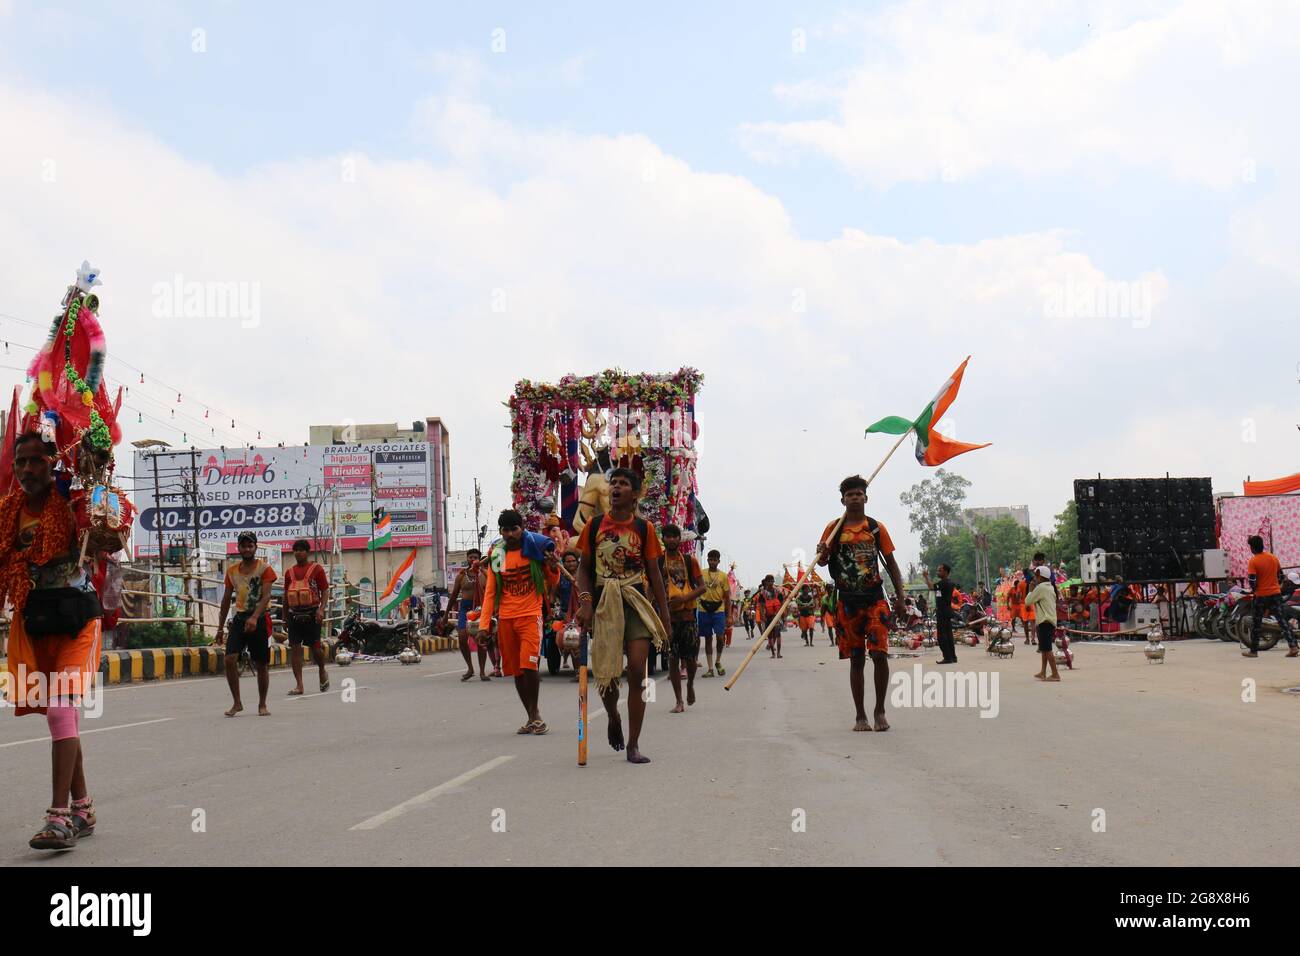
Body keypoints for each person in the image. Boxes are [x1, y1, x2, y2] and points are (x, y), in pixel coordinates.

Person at [2, 432, 105, 849]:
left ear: (53, 462)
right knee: (61, 716)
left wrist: (100, 498)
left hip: (77, 620)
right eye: (20, 462)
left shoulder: (76, 505)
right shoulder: (7, 512)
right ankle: (83, 806)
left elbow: (109, 534)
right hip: (34, 621)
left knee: (61, 709)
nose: (27, 470)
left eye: (36, 461)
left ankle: (59, 817)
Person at [574, 467, 671, 764]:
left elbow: (655, 575)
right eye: (613, 482)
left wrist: (664, 620)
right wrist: (586, 602)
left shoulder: (645, 528)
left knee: (638, 672)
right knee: (608, 675)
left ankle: (633, 744)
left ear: (635, 494)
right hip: (605, 602)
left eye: (623, 483)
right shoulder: (593, 526)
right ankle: (613, 715)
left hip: (635, 600)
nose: (615, 487)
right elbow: (583, 569)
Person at [816, 475, 905, 732]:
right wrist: (822, 550)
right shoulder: (834, 529)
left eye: (858, 494)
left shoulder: (876, 528)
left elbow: (891, 564)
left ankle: (880, 711)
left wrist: (899, 598)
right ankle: (860, 716)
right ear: (842, 500)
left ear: (866, 497)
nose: (854, 498)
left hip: (875, 599)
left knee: (879, 654)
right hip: (848, 602)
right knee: (856, 659)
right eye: (850, 495)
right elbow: (822, 561)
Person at [479, 510, 561, 734]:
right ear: (501, 532)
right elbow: (490, 592)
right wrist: (484, 625)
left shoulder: (534, 548)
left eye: (514, 529)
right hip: (506, 618)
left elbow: (552, 578)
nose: (510, 534)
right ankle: (531, 716)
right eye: (506, 530)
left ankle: (535, 714)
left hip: (530, 615)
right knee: (516, 670)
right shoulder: (498, 556)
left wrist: (553, 566)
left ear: (522, 527)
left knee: (529, 664)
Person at [216, 531, 277, 717]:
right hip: (240, 618)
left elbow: (266, 596)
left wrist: (254, 617)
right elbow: (226, 599)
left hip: (259, 619)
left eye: (250, 545)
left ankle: (262, 704)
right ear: (239, 548)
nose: (247, 549)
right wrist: (219, 628)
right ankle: (237, 702)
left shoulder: (265, 569)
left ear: (255, 547)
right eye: (244, 546)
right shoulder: (232, 571)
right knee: (229, 658)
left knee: (261, 664)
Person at [660, 525, 705, 712]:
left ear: (680, 539)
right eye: (667, 536)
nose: (671, 540)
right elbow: (651, 588)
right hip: (668, 619)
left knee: (691, 659)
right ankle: (679, 700)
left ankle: (690, 684)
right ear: (663, 539)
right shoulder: (657, 562)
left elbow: (702, 587)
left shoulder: (689, 561)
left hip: (688, 617)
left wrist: (683, 599)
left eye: (674, 536)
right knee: (672, 658)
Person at [282, 538, 330, 695]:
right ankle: (299, 685)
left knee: (315, 647)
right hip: (294, 615)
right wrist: (284, 617)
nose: (298, 553)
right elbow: (285, 596)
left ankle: (322, 670)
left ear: (307, 552)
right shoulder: (289, 573)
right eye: (296, 550)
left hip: (312, 613)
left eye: (301, 550)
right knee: (295, 649)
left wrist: (321, 610)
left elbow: (325, 591)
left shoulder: (316, 569)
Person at [1243, 535, 1298, 658]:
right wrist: (1275, 585)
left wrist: (1254, 589)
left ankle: (1253, 651)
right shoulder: (1273, 558)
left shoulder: (1253, 561)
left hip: (1261, 595)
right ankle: (1293, 646)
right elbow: (1281, 576)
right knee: (1282, 621)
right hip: (1275, 594)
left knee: (1257, 623)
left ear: (1252, 548)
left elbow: (1252, 580)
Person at [446, 548, 490, 681]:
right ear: (467, 559)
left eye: (475, 557)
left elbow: (491, 592)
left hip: (480, 608)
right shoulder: (461, 575)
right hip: (465, 609)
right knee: (462, 637)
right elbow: (453, 595)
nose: (472, 559)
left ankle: (482, 672)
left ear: (480, 558)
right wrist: (445, 614)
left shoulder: (485, 574)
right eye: (470, 557)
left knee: (481, 639)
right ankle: (470, 668)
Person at [697, 549, 731, 677]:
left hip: (718, 610)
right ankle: (710, 668)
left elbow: (727, 597)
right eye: (710, 559)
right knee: (708, 639)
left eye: (715, 560)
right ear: (707, 560)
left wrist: (729, 615)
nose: (712, 562)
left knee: (720, 637)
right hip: (704, 609)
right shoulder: (701, 574)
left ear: (718, 561)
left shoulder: (723, 576)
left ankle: (718, 661)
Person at [1026, 565, 1060, 681]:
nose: (1035, 577)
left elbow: (1028, 601)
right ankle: (1043, 672)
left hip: (1044, 621)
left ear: (1041, 576)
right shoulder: (1050, 587)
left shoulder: (1041, 588)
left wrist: (1030, 591)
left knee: (1047, 649)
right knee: (1044, 648)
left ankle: (1055, 674)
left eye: (1036, 575)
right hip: (1049, 620)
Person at [922, 564, 959, 664]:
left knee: (942, 636)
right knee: (948, 634)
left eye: (940, 570)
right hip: (946, 610)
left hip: (943, 611)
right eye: (938, 570)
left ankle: (947, 657)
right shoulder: (949, 583)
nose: (938, 572)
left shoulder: (944, 583)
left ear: (946, 572)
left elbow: (931, 586)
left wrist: (926, 576)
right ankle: (952, 657)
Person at [755, 575, 784, 658]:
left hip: (777, 615)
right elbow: (761, 605)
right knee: (770, 635)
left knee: (778, 633)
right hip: (768, 616)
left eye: (772, 581)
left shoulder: (777, 591)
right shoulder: (762, 593)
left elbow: (782, 602)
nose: (771, 583)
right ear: (766, 582)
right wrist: (763, 615)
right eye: (769, 581)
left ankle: (778, 653)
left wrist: (781, 613)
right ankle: (773, 653)